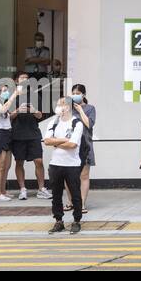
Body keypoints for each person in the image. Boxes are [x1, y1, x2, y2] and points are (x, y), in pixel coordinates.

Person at [42, 97, 85, 235]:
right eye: (58, 103)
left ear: (67, 107)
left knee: (75, 194)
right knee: (56, 194)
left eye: (61, 104)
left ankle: (76, 221)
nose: (58, 106)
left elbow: (73, 145)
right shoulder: (53, 122)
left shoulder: (76, 123)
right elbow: (47, 141)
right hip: (55, 164)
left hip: (72, 165)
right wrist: (63, 140)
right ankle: (58, 221)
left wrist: (56, 142)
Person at [9, 90, 48, 201]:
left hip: (33, 133)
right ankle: (22, 189)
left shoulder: (35, 96)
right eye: (22, 78)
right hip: (18, 134)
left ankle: (41, 189)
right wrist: (17, 110)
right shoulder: (13, 97)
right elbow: (9, 117)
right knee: (19, 162)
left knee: (39, 161)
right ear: (16, 81)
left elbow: (40, 116)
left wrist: (34, 110)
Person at [0, 83, 19, 201]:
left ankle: (3, 191)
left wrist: (16, 111)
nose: (7, 92)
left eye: (7, 90)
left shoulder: (4, 105)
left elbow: (7, 117)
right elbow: (2, 110)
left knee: (7, 166)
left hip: (7, 134)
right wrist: (14, 95)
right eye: (4, 91)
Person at [69, 84, 95, 214]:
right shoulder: (68, 108)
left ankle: (82, 203)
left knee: (84, 176)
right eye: (73, 93)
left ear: (83, 95)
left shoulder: (90, 108)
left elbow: (89, 124)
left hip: (85, 145)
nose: (75, 95)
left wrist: (80, 110)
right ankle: (71, 202)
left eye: (78, 93)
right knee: (69, 175)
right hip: (70, 145)